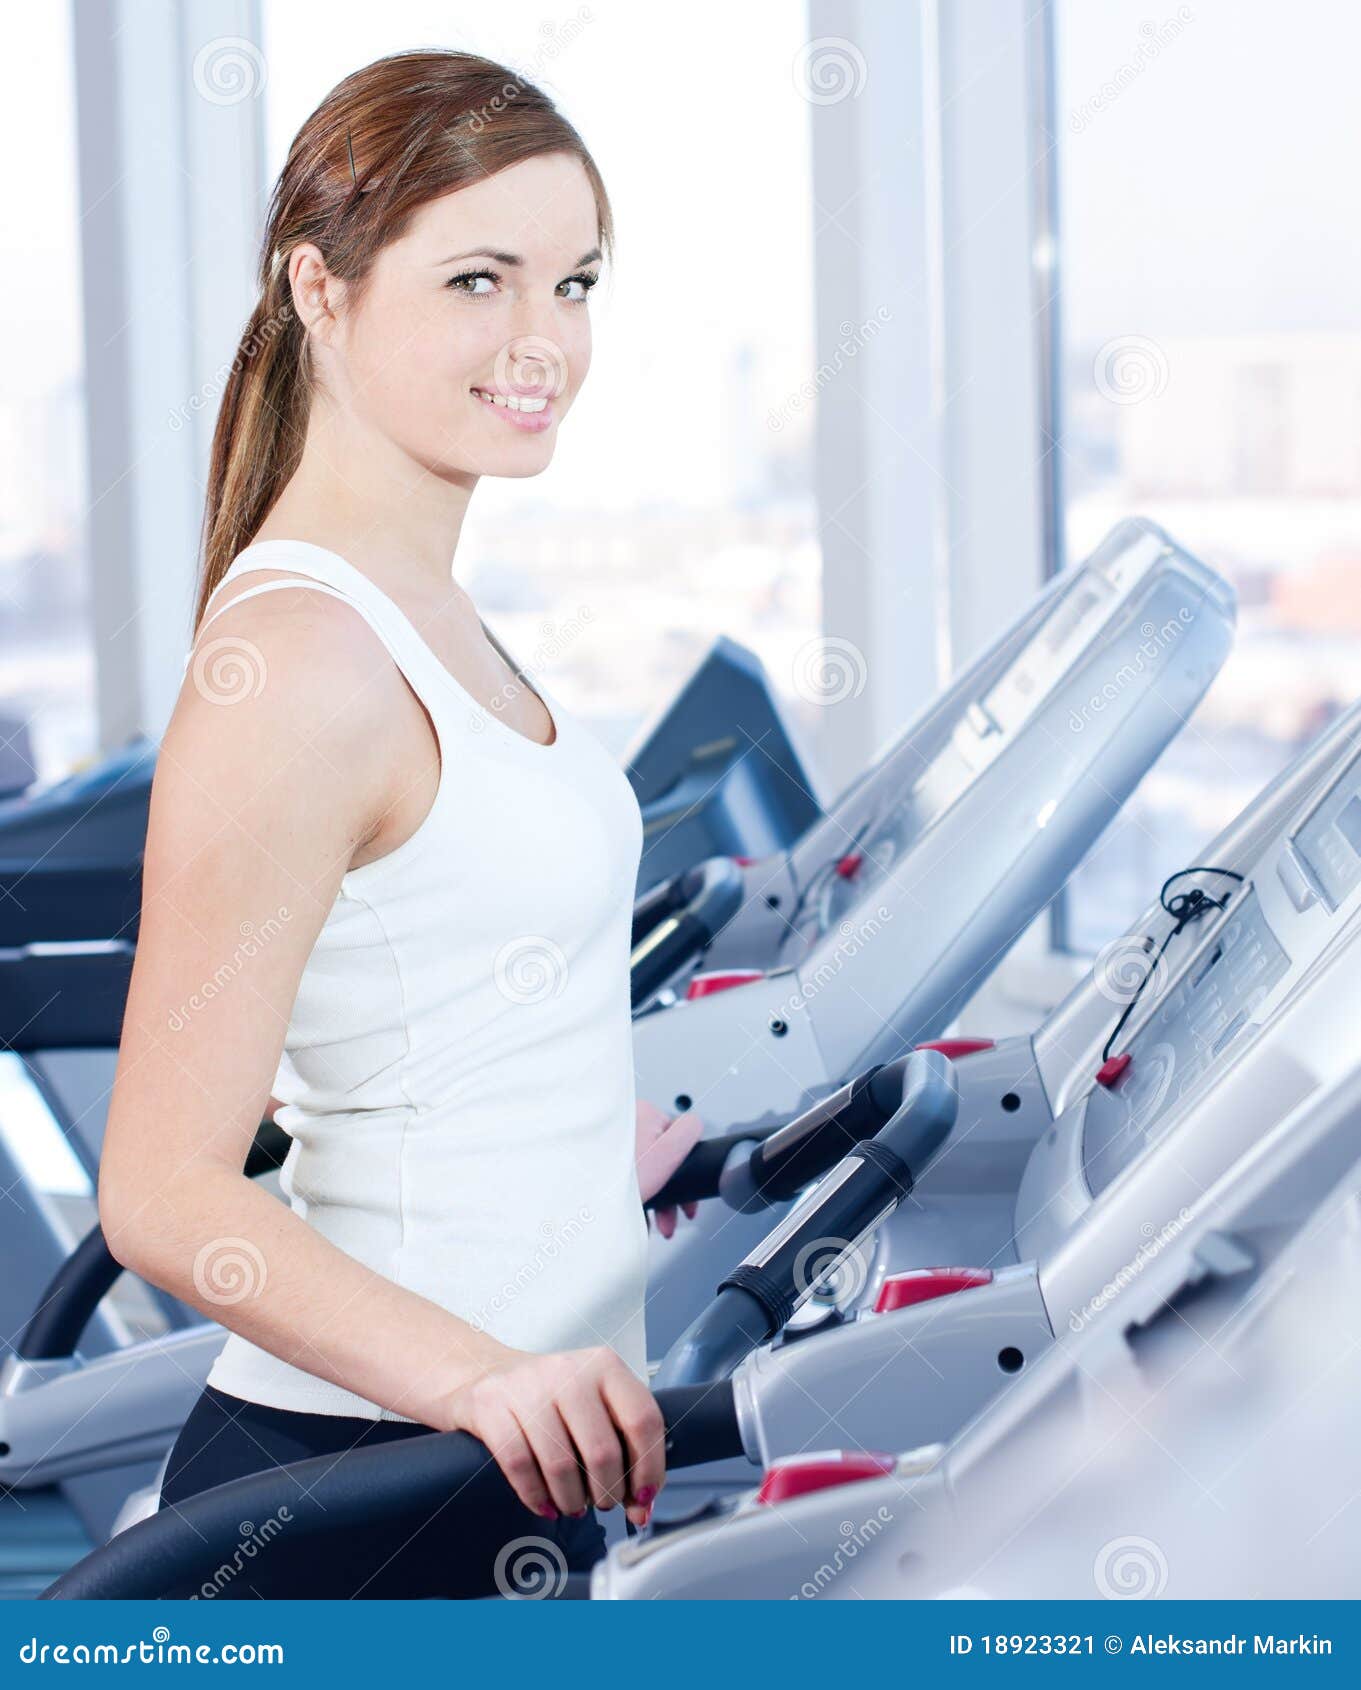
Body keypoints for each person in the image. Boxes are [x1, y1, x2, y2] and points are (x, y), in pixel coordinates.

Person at [97, 48, 703, 1599]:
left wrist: (575, 1163)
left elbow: (410, 1010)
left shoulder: (427, 609)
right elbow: (163, 1193)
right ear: (320, 288)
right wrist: (483, 1378)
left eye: (573, 283)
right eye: (478, 279)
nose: (540, 341)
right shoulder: (300, 660)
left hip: (497, 1447)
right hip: (377, 1477)